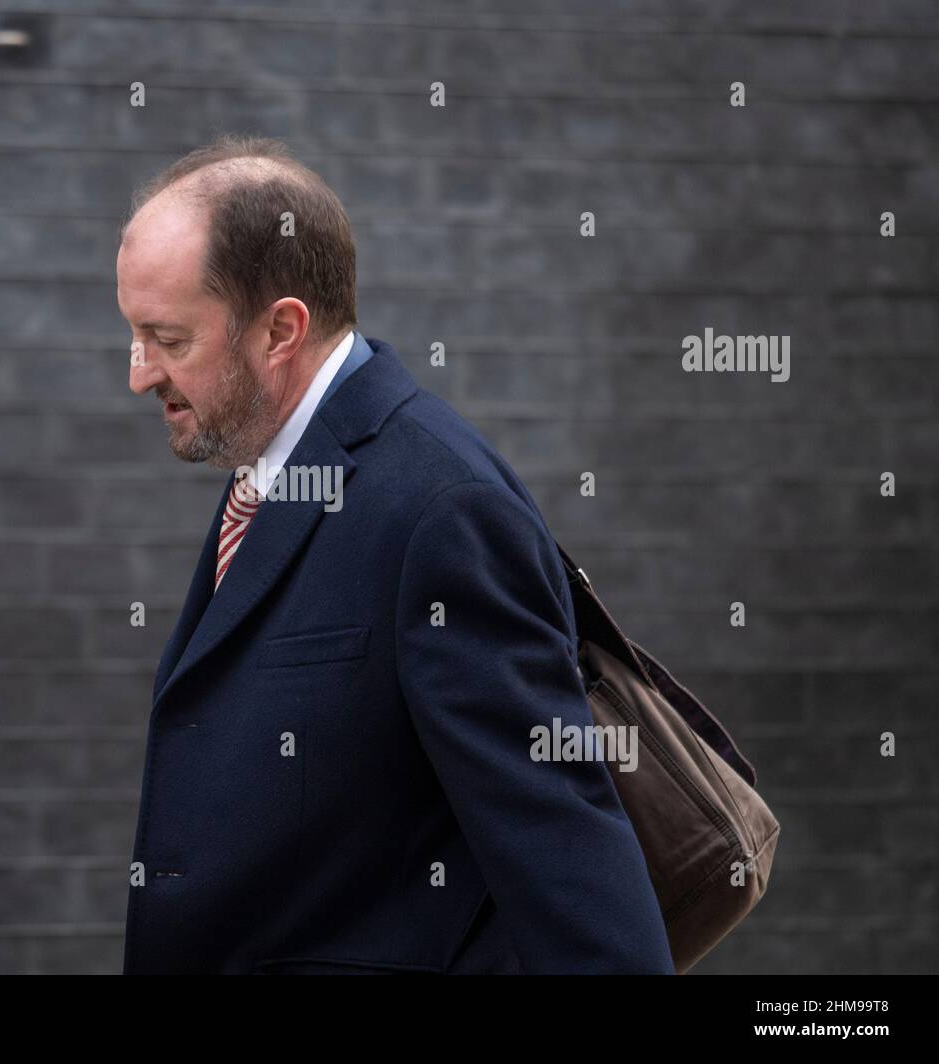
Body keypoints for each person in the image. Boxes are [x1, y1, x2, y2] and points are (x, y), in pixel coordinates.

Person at [115, 134, 673, 974]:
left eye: (168, 338)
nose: (138, 374)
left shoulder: (442, 510)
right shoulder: (276, 468)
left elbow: (563, 849)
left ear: (280, 332)